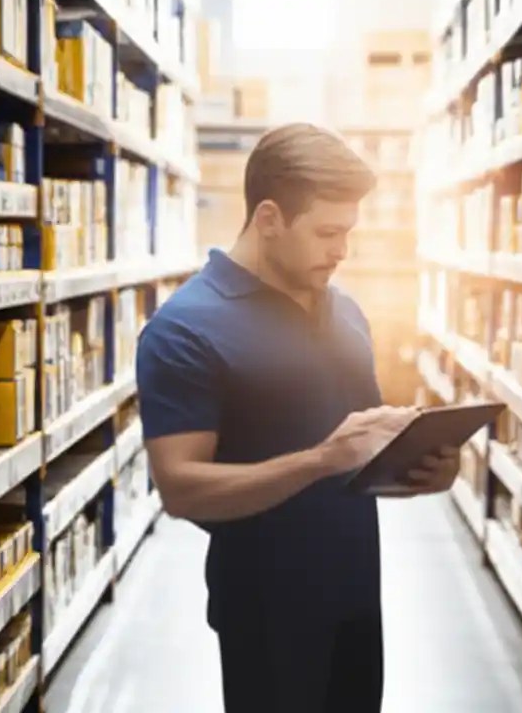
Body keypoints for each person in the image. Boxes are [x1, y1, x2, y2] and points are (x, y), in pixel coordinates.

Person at [136, 122, 460, 713]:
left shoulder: (345, 312)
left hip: (358, 595)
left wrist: (424, 465)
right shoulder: (185, 329)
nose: (342, 250)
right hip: (267, 612)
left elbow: (362, 450)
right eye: (327, 233)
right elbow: (180, 488)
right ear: (268, 219)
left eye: (348, 233)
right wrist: (320, 461)